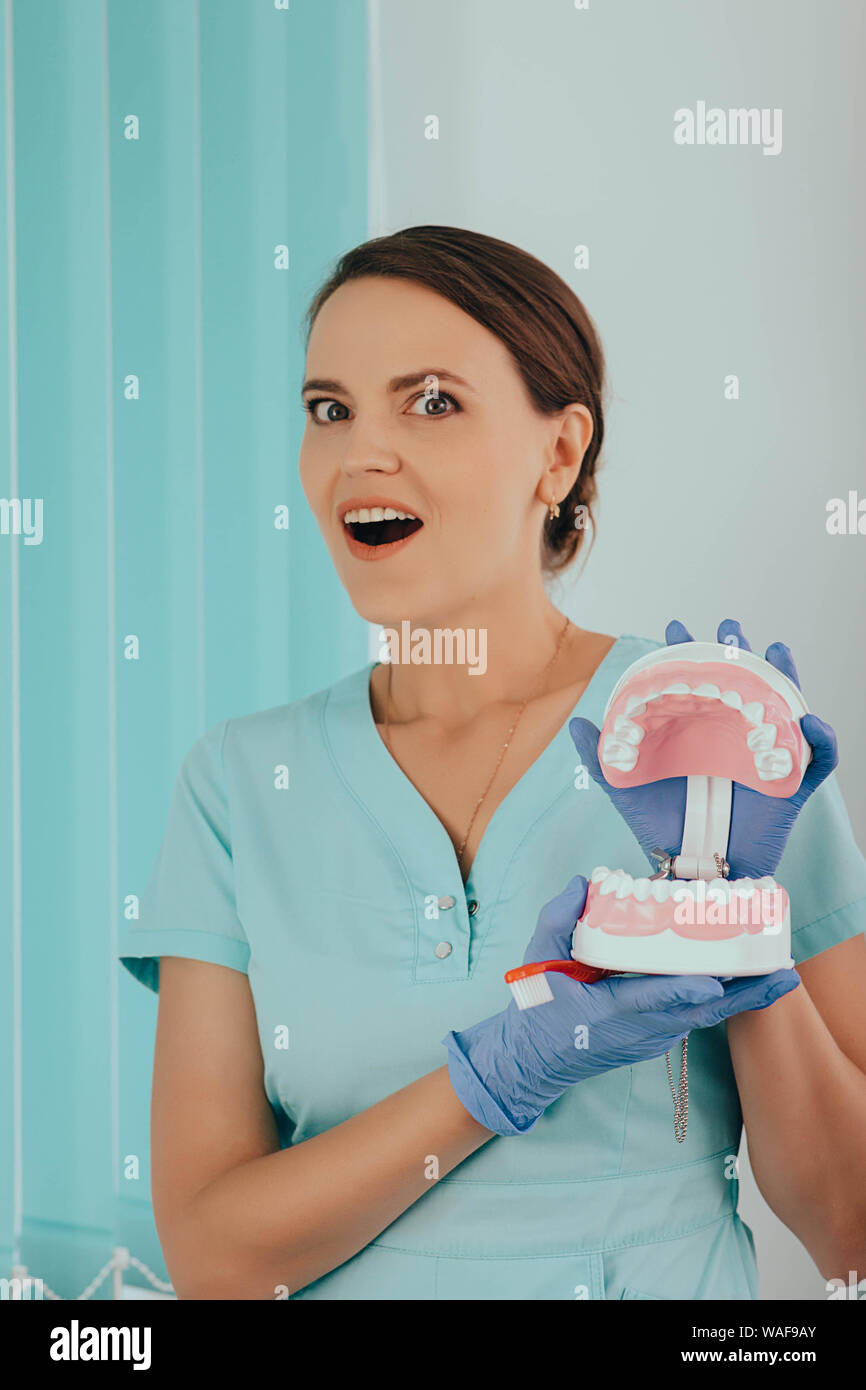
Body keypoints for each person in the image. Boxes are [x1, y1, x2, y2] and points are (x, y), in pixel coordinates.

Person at [119, 226, 866, 1301]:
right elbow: (214, 1259)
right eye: (328, 408)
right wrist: (500, 1074)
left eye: (428, 401)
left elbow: (847, 1233)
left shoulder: (712, 733)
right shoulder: (239, 783)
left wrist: (737, 932)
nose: (359, 453)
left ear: (558, 454)